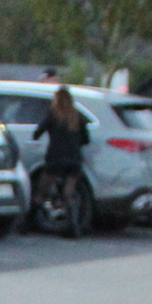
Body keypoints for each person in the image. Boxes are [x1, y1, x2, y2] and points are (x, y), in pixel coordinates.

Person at [34, 85, 91, 238]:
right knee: (68, 193)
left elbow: (37, 132)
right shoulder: (77, 116)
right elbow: (86, 139)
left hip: (55, 159)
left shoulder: (53, 114)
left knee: (42, 191)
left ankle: (27, 223)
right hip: (74, 160)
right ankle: (74, 226)